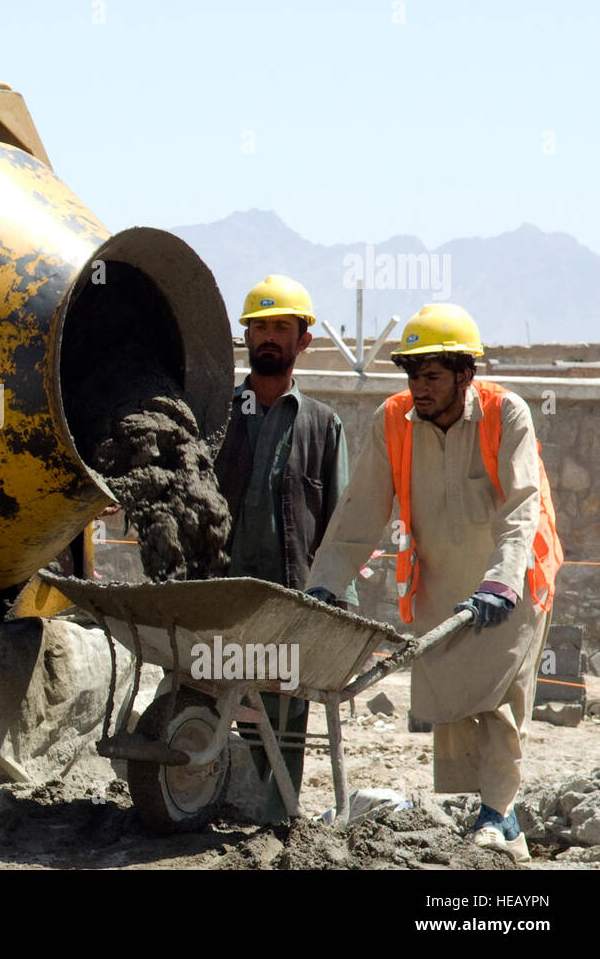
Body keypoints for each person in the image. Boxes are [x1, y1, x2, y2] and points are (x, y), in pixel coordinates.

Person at [306, 303, 562, 864]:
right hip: (442, 582)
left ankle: (497, 814)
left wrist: (502, 581)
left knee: (498, 698)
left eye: (432, 376)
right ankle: (497, 813)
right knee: (453, 702)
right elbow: (358, 513)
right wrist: (324, 584)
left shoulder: (507, 413)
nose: (418, 388)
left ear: (465, 375)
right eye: (412, 375)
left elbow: (523, 506)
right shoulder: (392, 421)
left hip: (515, 578)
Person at [213, 274, 353, 822]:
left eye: (281, 327)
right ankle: (210, 804)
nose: (268, 336)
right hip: (220, 592)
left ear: (304, 341)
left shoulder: (323, 425)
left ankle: (275, 818)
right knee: (214, 692)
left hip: (291, 599)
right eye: (259, 327)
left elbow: (342, 526)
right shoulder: (216, 417)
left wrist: (341, 609)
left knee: (283, 709)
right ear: (245, 337)